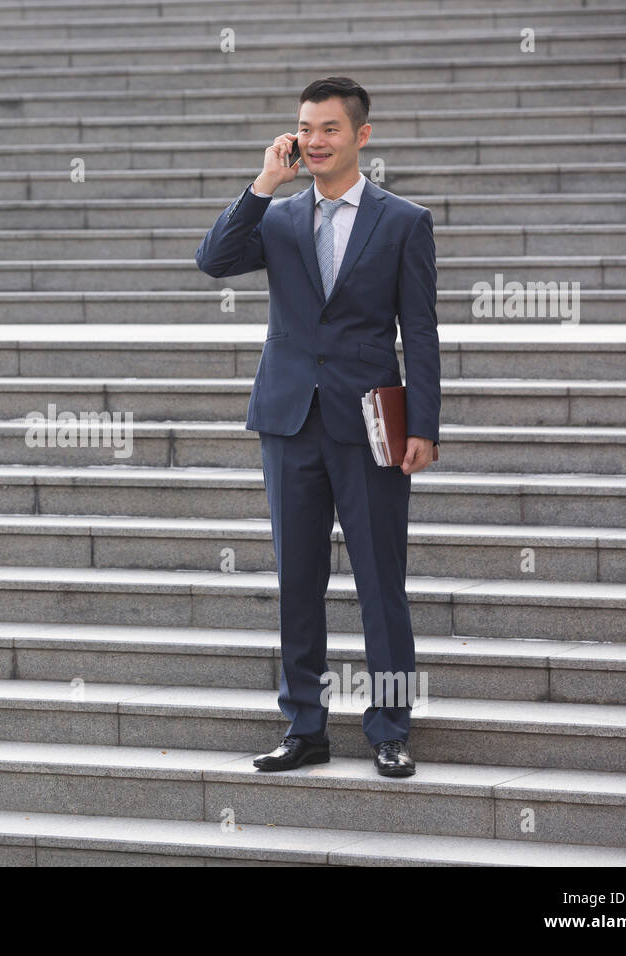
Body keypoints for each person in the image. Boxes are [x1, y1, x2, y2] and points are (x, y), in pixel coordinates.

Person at [194, 76, 440, 777]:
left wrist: (422, 422)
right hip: (289, 420)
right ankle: (305, 726)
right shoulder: (275, 217)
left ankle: (390, 727)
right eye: (306, 128)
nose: (315, 140)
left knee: (379, 580)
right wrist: (263, 183)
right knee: (297, 581)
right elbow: (212, 260)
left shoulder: (402, 221)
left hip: (369, 424)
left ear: (361, 136)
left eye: (329, 128)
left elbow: (419, 331)